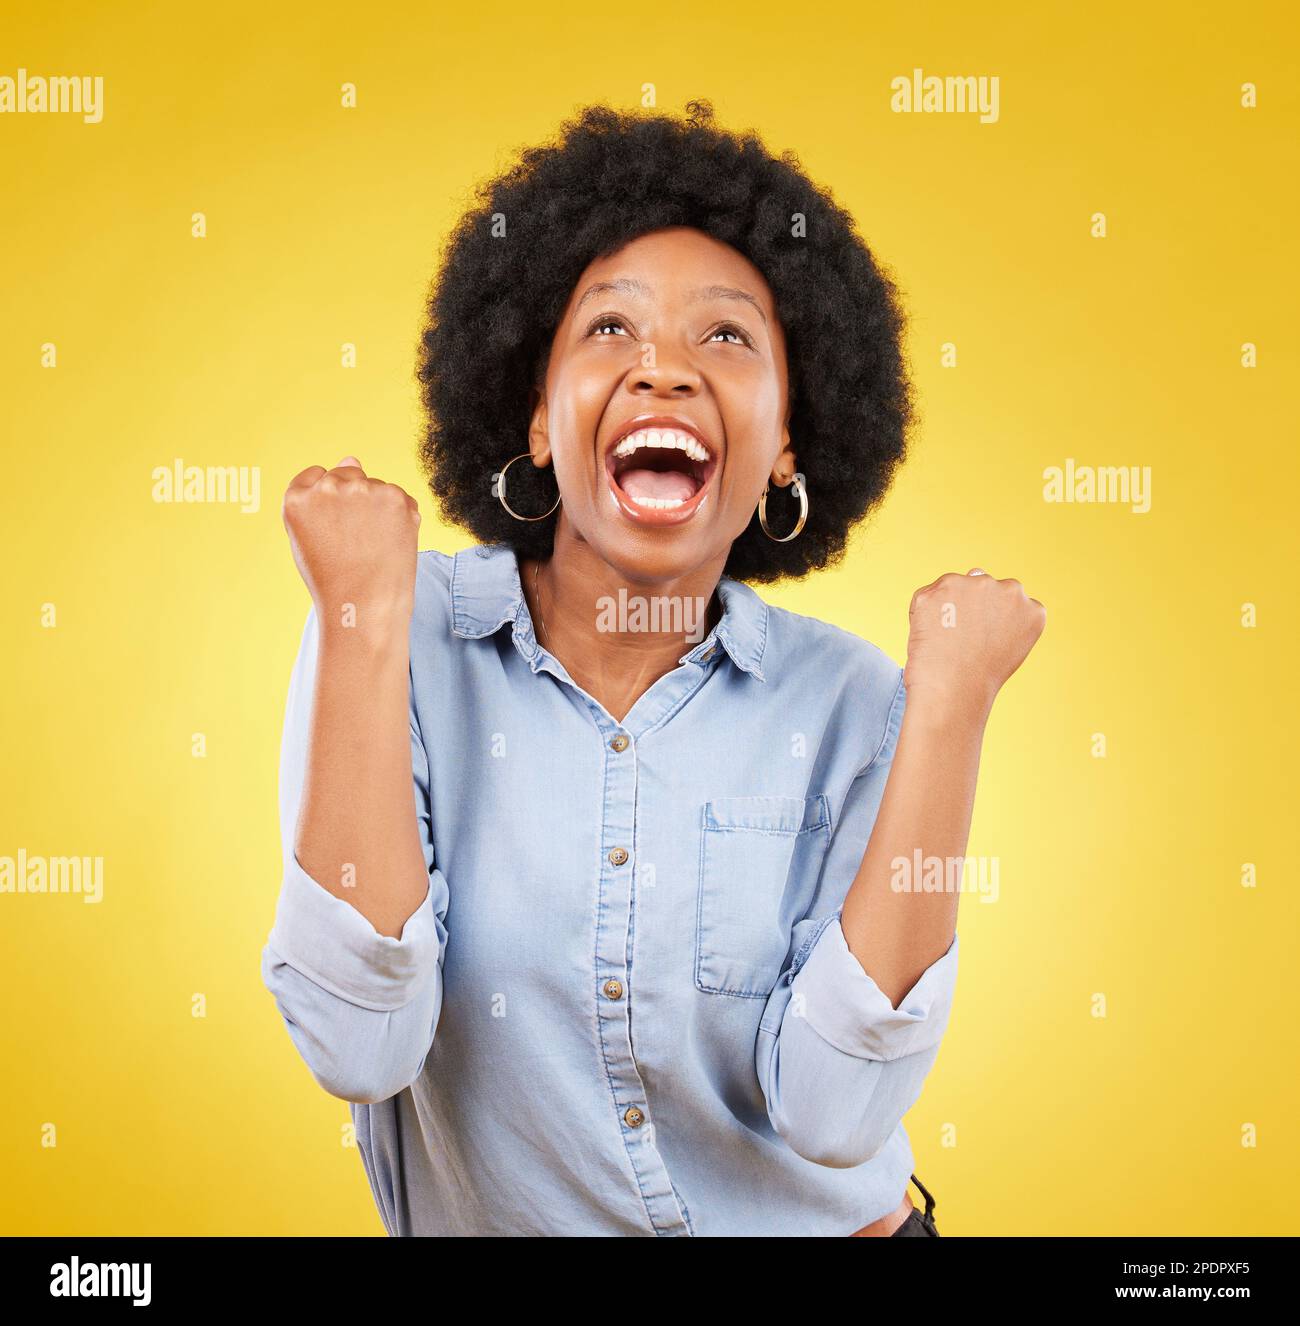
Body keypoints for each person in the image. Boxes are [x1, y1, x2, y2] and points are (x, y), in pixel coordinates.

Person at [261, 100, 1045, 1237]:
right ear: (537, 416)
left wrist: (950, 713)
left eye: (725, 338)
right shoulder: (396, 629)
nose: (664, 371)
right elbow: (358, 1045)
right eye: (609, 331)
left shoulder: (855, 704)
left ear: (786, 443)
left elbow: (837, 1113)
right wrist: (359, 614)